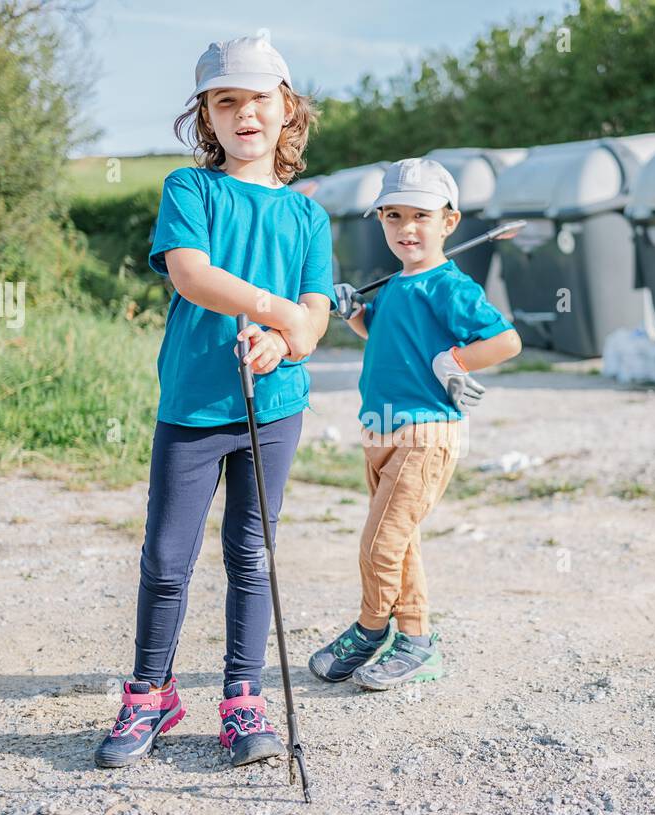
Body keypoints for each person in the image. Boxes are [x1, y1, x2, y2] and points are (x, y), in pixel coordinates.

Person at [94, 35, 335, 769]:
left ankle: (243, 698)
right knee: (167, 559)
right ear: (207, 116)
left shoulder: (308, 216)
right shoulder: (189, 189)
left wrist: (282, 341)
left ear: (286, 106)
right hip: (195, 408)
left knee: (252, 555)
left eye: (258, 98)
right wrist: (276, 311)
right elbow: (191, 274)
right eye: (224, 101)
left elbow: (315, 316)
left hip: (276, 406)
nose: (243, 114)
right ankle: (151, 694)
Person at [309, 158, 522, 690]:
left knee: (380, 542)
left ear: (449, 223)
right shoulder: (399, 285)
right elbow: (385, 340)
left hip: (424, 433)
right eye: (393, 215)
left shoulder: (450, 286)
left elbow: (507, 340)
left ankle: (369, 631)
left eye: (420, 217)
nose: (406, 228)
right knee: (401, 542)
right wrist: (354, 311)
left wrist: (457, 361)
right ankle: (416, 642)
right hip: (378, 430)